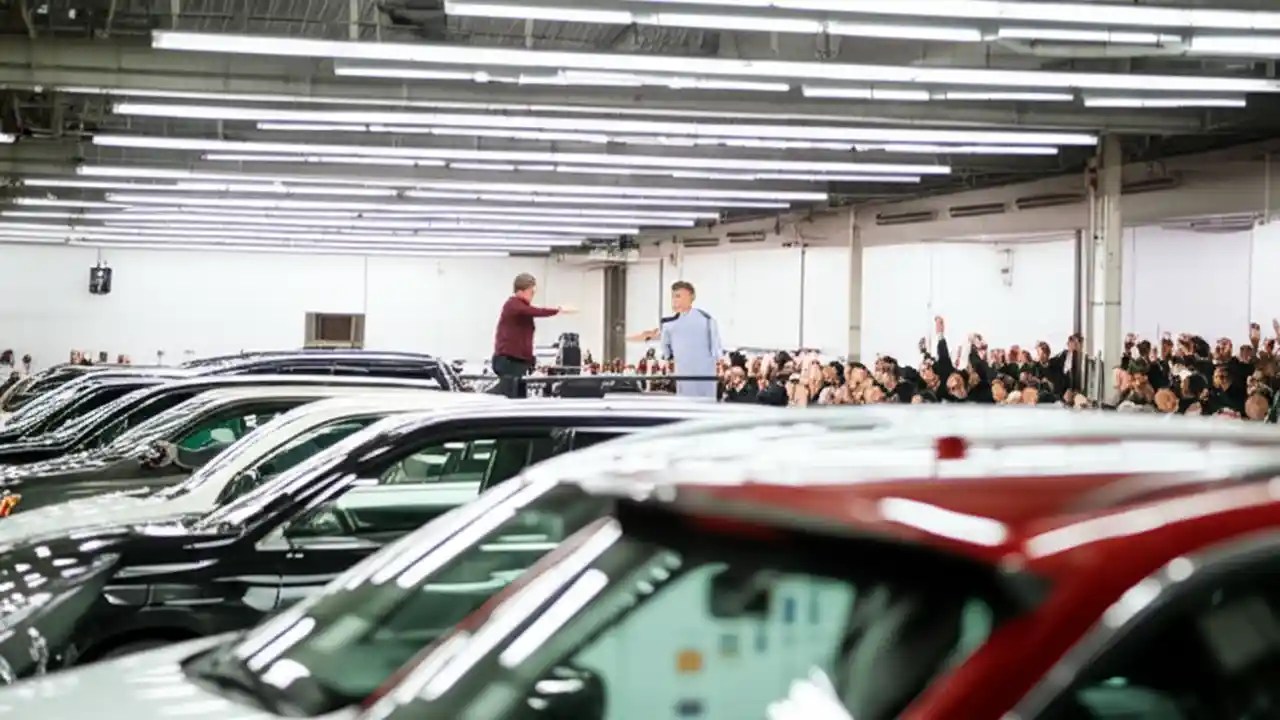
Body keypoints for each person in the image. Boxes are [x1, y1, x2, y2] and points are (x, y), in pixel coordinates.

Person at [491, 273, 575, 399]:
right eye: (531, 291)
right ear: (521, 291)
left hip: (517, 361)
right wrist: (558, 310)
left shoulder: (520, 308)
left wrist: (530, 359)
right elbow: (535, 311)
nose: (533, 295)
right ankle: (480, 400)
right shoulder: (513, 305)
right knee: (509, 391)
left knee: (518, 393)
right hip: (509, 360)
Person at [658, 281, 722, 399]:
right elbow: (666, 351)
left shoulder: (708, 320)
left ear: (692, 297)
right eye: (674, 296)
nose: (676, 300)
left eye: (679, 296)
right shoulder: (669, 324)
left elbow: (717, 348)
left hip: (705, 375)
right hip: (684, 375)